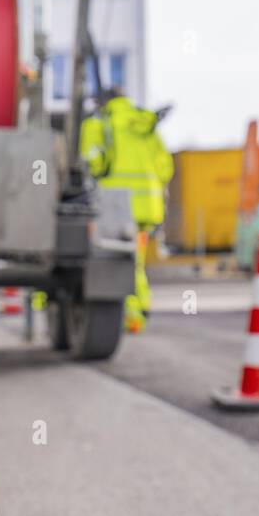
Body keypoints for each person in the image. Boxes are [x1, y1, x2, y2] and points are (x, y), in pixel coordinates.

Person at [79, 87, 174, 332]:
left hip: (116, 205)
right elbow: (165, 168)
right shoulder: (145, 123)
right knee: (136, 259)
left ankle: (131, 313)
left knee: (119, 259)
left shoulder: (100, 123)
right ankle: (140, 308)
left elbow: (93, 162)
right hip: (147, 208)